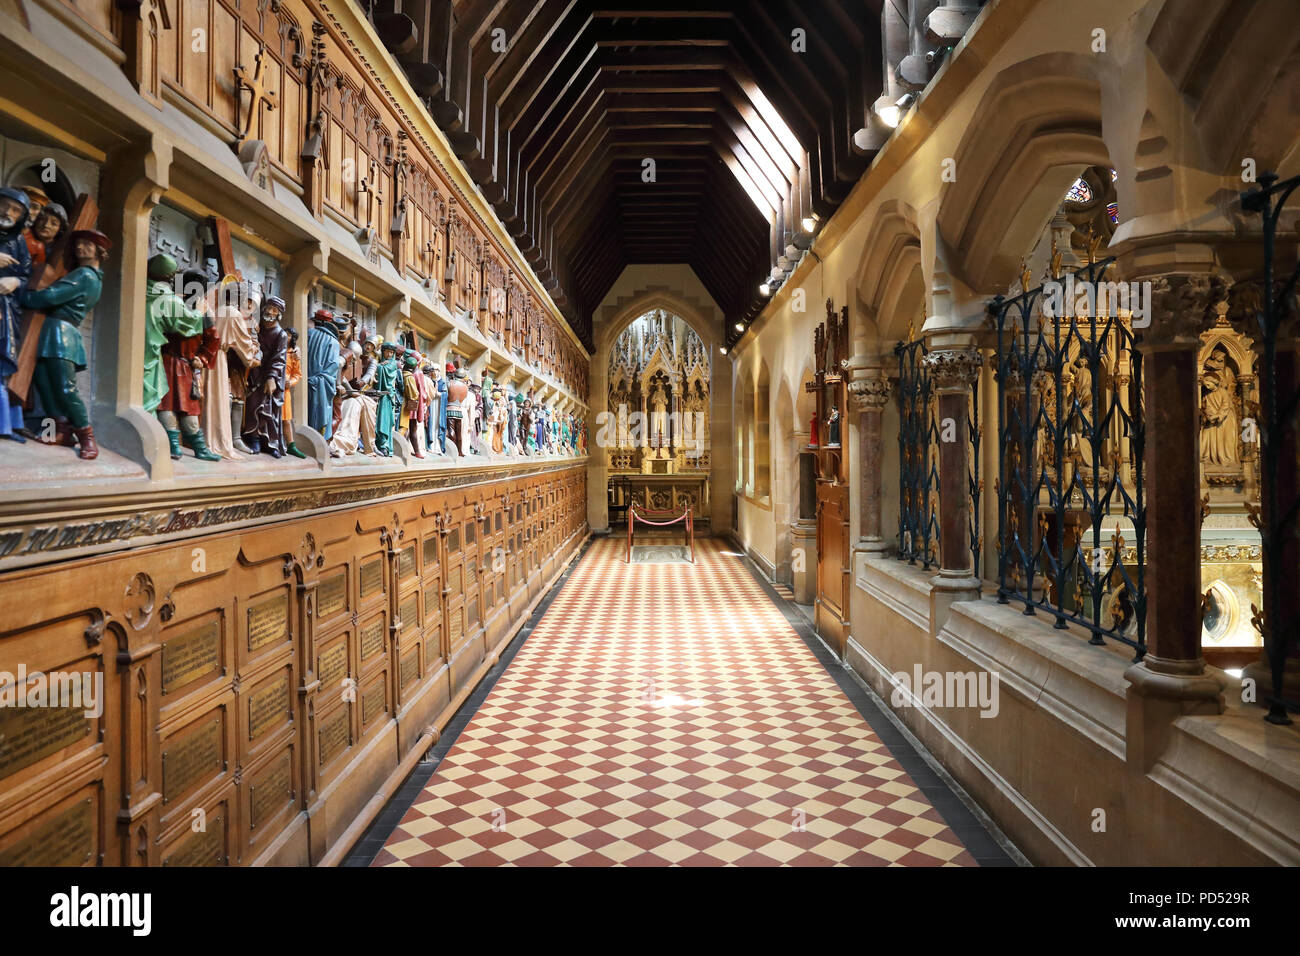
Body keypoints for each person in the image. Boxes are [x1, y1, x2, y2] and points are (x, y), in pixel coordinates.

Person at [19, 229, 110, 459]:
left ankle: (87, 438)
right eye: (78, 244)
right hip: (52, 329)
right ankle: (60, 432)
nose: (81, 248)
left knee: (65, 388)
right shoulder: (88, 275)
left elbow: (51, 296)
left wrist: (24, 296)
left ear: (99, 251)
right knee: (44, 383)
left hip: (63, 332)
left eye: (87, 245)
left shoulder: (86, 275)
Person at [144, 255, 219, 461]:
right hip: (167, 362)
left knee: (190, 411)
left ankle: (199, 448)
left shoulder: (203, 312)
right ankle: (172, 445)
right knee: (166, 405)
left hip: (187, 366)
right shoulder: (172, 303)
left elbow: (213, 339)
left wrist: (202, 358)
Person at [201, 279, 261, 458]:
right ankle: (218, 441)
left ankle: (210, 437)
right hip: (219, 358)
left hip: (209, 356)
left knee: (211, 400)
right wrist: (257, 355)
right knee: (218, 400)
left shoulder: (217, 311)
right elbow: (247, 352)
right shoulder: (234, 315)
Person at [0, 187, 32, 442]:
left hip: (5, 310)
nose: (7, 213)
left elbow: (25, 274)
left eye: (14, 210)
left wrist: (15, 283)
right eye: (3, 205)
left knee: (3, 365)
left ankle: (8, 424)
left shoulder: (18, 242)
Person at [241, 295, 288, 457]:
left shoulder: (280, 334)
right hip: (255, 371)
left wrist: (271, 378)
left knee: (269, 409)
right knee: (254, 406)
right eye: (268, 308)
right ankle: (253, 438)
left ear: (278, 314)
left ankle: (269, 442)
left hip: (272, 376)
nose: (270, 312)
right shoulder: (257, 326)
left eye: (274, 310)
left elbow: (279, 358)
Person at [306, 308, 342, 439]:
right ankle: (319, 443)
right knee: (321, 416)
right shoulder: (333, 342)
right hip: (321, 386)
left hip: (303, 383)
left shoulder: (306, 334)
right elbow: (333, 366)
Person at [374, 340, 401, 456]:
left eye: (391, 353)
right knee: (378, 419)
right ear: (383, 352)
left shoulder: (392, 364)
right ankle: (379, 443)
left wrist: (379, 367)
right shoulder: (382, 363)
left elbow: (387, 373)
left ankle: (384, 445)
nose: (389, 355)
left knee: (384, 421)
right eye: (387, 352)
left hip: (387, 397)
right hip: (379, 396)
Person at [283, 327, 306, 458]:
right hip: (272, 385)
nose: (286, 337)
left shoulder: (294, 354)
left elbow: (297, 374)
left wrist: (291, 382)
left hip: (284, 389)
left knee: (286, 419)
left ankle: (291, 445)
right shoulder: (276, 348)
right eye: (285, 334)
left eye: (289, 336)